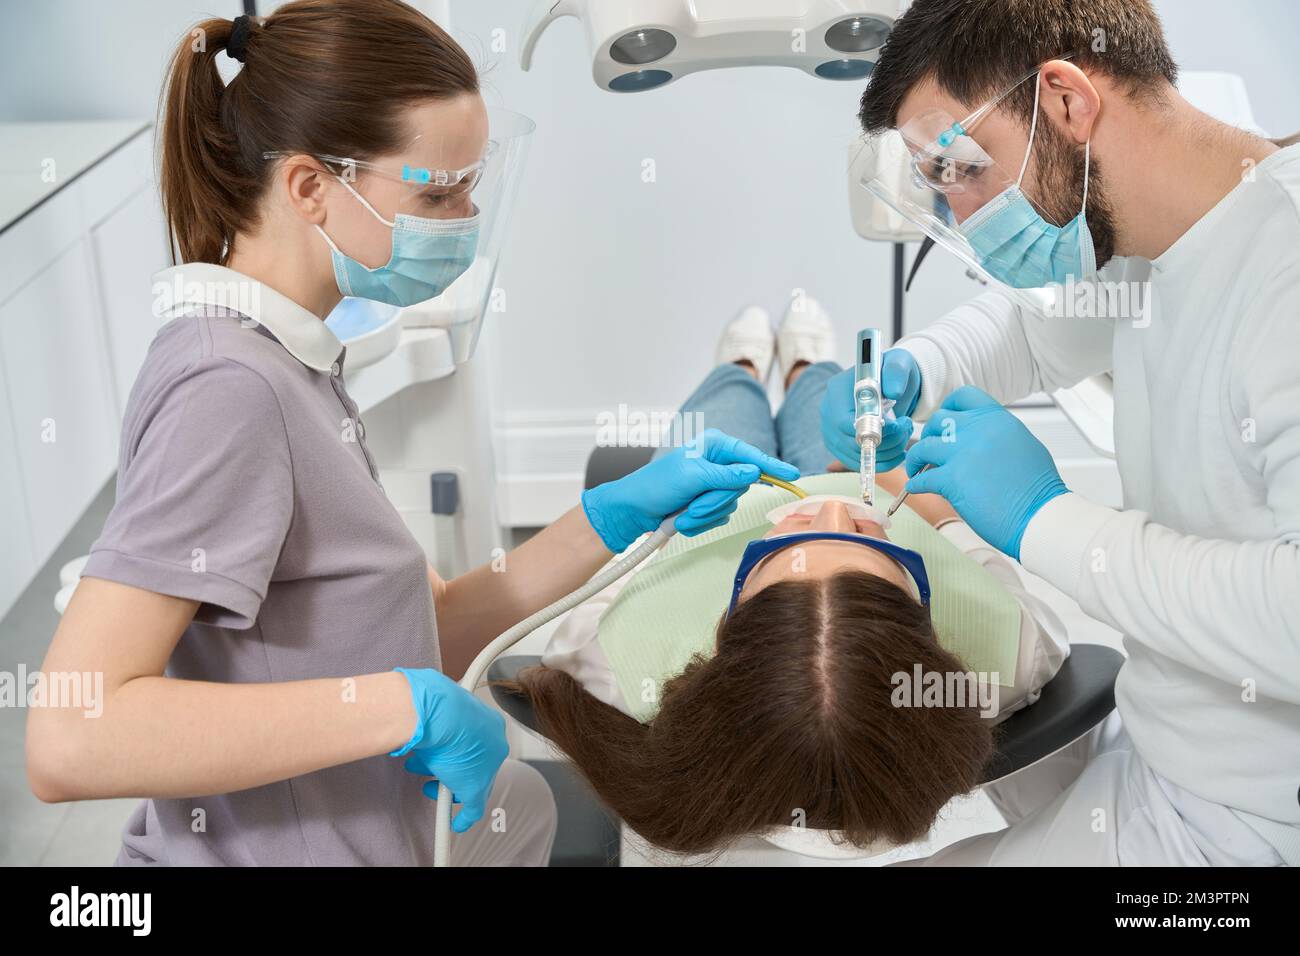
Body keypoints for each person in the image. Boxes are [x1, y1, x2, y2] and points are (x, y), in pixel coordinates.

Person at [23, 0, 794, 867]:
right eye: (437, 189)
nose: (462, 216)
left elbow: (428, 624)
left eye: (471, 183)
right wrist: (400, 709)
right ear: (311, 187)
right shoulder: (227, 387)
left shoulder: (294, 360)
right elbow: (72, 736)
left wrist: (612, 517)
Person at [822, 0, 1298, 865]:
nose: (964, 216)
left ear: (1069, 102)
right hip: (1166, 748)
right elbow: (1038, 333)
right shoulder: (1159, 232)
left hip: (1250, 833)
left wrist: (1047, 520)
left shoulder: (1285, 274)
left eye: (963, 168)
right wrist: (916, 371)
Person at [505, 301, 1068, 857]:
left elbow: (594, 597)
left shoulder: (623, 664)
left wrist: (655, 530)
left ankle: (743, 366)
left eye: (788, 551)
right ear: (924, 621)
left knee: (723, 409)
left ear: (728, 625)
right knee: (828, 397)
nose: (827, 512)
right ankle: (805, 366)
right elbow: (1003, 589)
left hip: (719, 510)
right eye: (869, 544)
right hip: (870, 479)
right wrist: (936, 509)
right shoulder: (1000, 662)